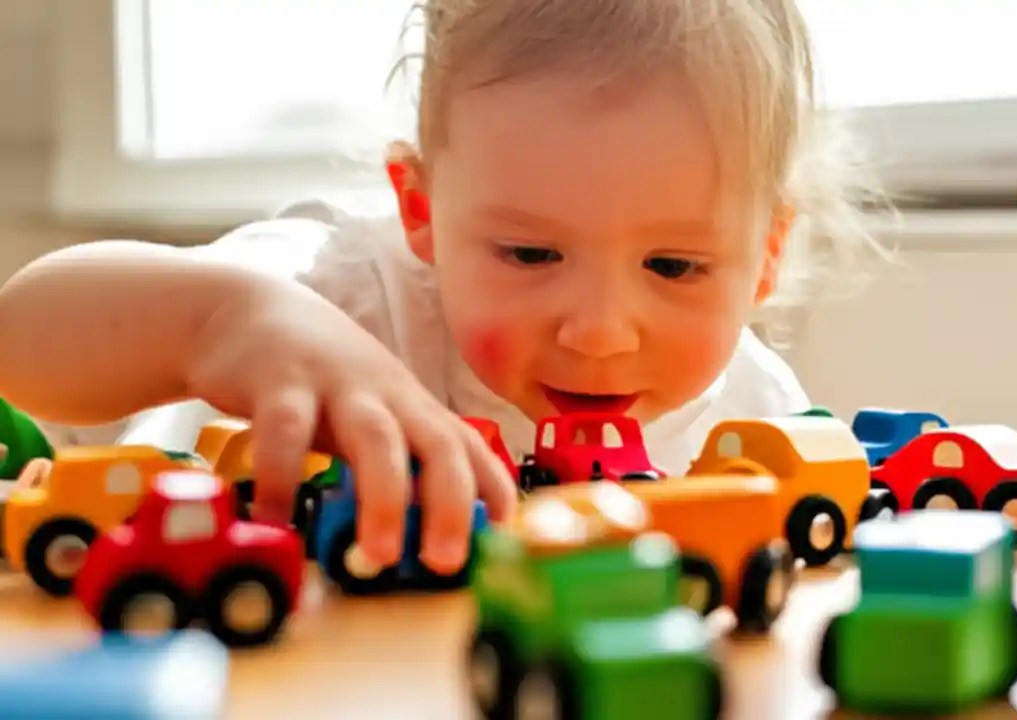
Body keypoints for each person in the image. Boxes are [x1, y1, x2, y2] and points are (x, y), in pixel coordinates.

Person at [0, 0, 879, 577]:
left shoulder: (758, 420)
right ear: (421, 209)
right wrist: (223, 318)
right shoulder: (341, 294)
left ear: (765, 255)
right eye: (530, 254)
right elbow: (20, 339)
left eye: (675, 267)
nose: (601, 331)